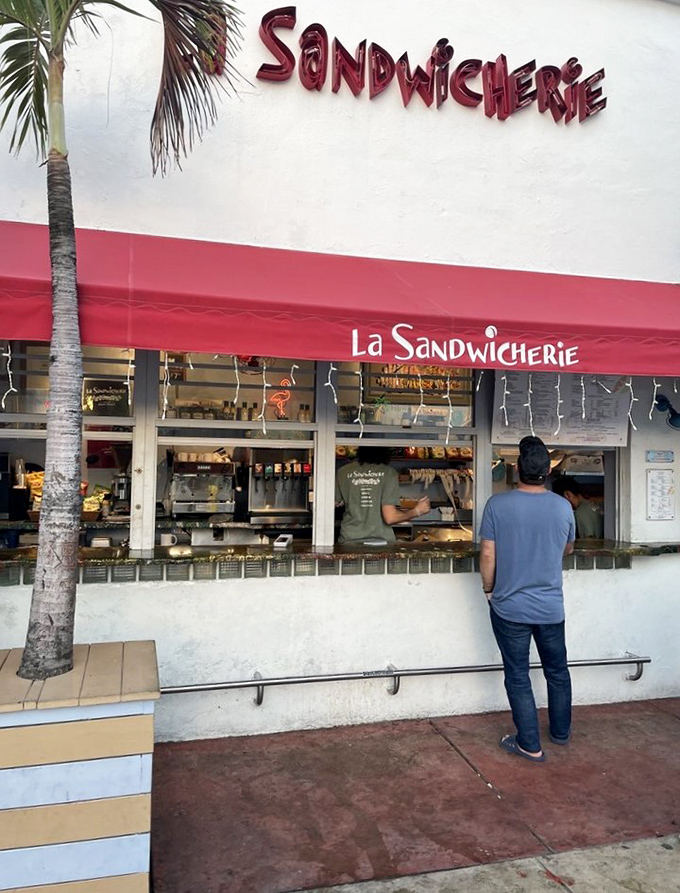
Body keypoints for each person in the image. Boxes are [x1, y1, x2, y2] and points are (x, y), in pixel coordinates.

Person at [479, 436, 575, 763]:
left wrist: (488, 589)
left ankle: (529, 744)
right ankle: (560, 733)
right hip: (551, 608)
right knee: (558, 671)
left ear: (516, 468)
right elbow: (567, 548)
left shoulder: (497, 505)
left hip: (510, 608)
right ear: (548, 470)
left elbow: (488, 553)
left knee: (518, 675)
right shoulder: (563, 506)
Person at [335, 446, 430, 543]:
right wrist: (417, 511)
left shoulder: (343, 472)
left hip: (349, 540)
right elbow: (390, 517)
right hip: (380, 542)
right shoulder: (389, 473)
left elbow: (333, 504)